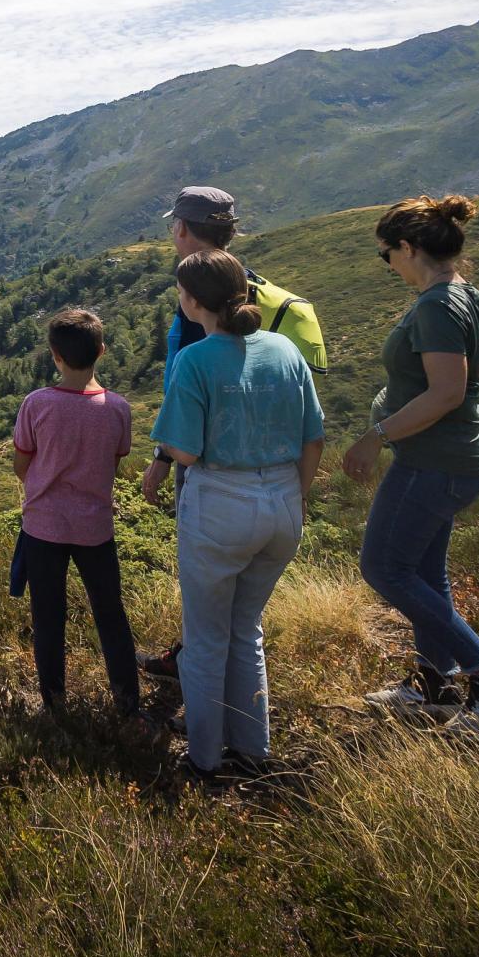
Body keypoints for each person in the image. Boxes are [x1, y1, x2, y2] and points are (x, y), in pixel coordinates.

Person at [342, 195, 479, 732]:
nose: (388, 265)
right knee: (426, 573)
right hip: (461, 457)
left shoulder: (436, 307)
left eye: (387, 255)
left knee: (384, 568)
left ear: (408, 248)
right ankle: (435, 681)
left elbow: (449, 392)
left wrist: (376, 435)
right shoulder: (472, 299)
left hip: (432, 463)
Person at [139, 186, 328, 683]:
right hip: (276, 479)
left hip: (214, 474)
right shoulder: (240, 284)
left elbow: (195, 382)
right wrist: (296, 492)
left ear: (181, 228)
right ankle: (239, 719)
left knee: (212, 600)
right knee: (244, 620)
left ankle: (199, 691)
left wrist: (164, 455)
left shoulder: (198, 291)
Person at [151, 250, 324, 780]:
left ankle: (205, 758)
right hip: (282, 502)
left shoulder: (197, 359)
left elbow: (183, 449)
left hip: (221, 503)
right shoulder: (284, 350)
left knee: (205, 638)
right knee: (246, 628)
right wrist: (292, 494)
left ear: (193, 301)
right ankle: (253, 748)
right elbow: (313, 436)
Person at [10, 307, 141, 714]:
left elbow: (20, 464)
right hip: (95, 528)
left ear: (55, 355)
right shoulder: (117, 408)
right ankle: (126, 701)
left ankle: (54, 702)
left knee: (48, 618)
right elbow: (114, 463)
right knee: (110, 613)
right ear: (101, 351)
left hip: (44, 527)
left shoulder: (37, 404)